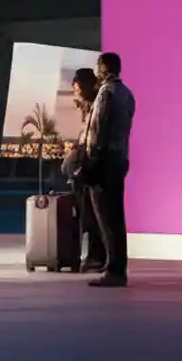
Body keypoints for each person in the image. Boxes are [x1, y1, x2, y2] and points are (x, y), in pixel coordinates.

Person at [81, 52, 136, 288]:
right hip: (120, 158)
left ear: (104, 68)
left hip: (104, 162)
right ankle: (116, 265)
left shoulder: (106, 93)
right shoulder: (127, 94)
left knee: (106, 216)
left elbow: (99, 129)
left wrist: (92, 160)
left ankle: (114, 270)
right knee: (116, 215)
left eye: (98, 68)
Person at [63, 68, 106, 272]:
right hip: (86, 167)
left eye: (77, 86)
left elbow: (95, 138)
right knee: (88, 213)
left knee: (94, 214)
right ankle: (93, 255)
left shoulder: (98, 105)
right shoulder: (90, 107)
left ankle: (97, 257)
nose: (75, 90)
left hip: (92, 167)